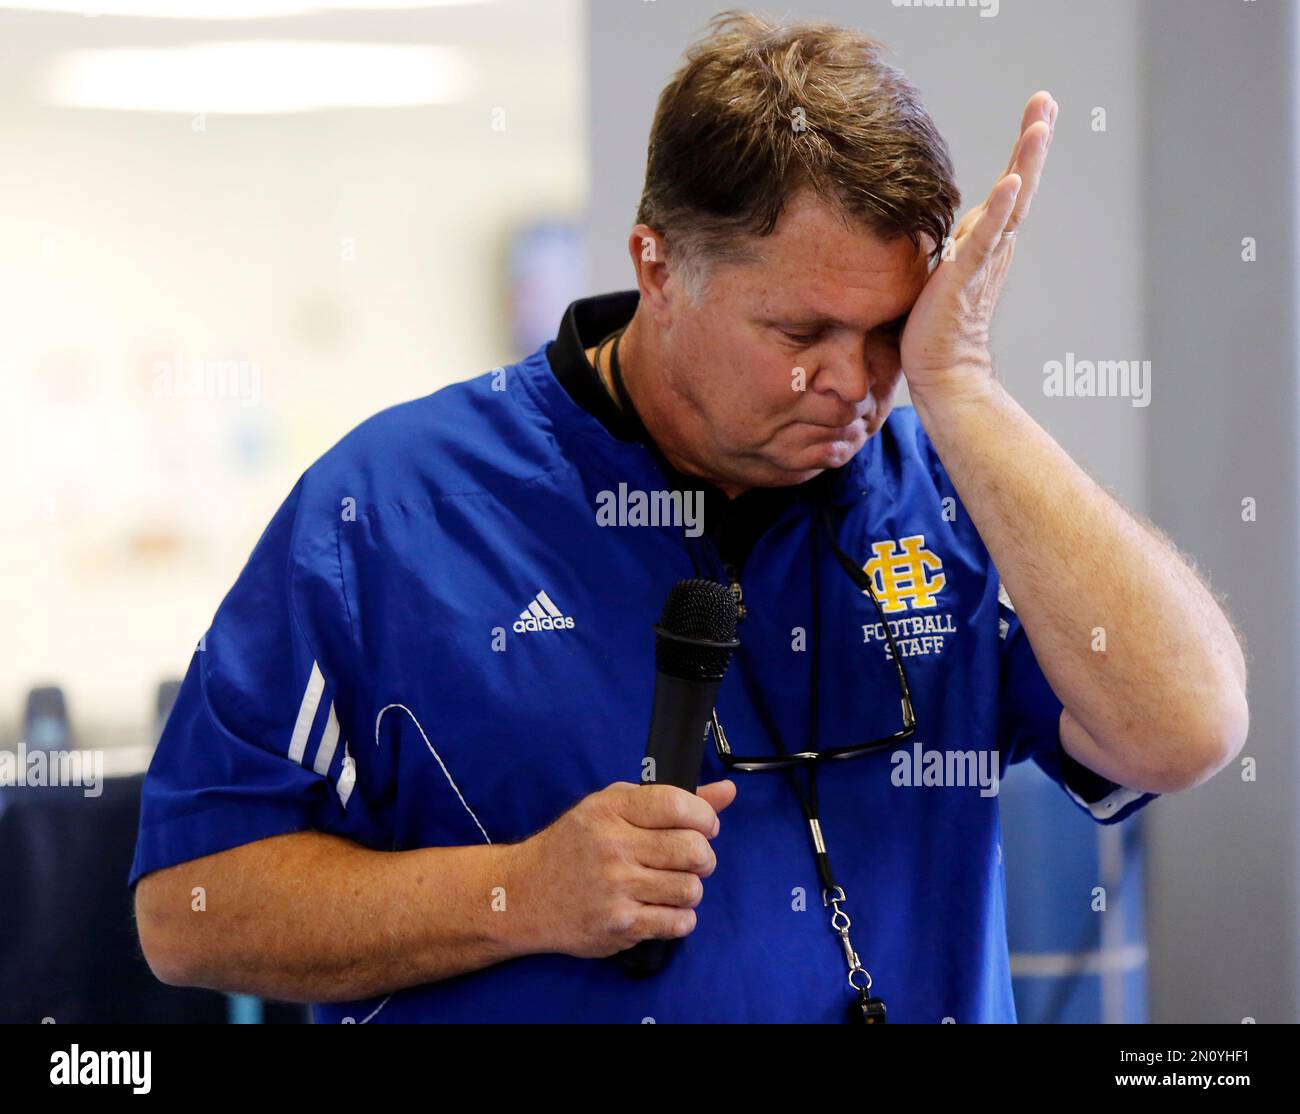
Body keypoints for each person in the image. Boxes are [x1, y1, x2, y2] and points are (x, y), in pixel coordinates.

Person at [131, 12, 1247, 1024]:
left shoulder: (949, 487)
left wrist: (961, 384)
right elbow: (188, 911)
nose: (852, 383)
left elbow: (1187, 729)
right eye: (798, 331)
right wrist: (519, 893)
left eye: (891, 332)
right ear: (656, 266)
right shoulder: (390, 511)